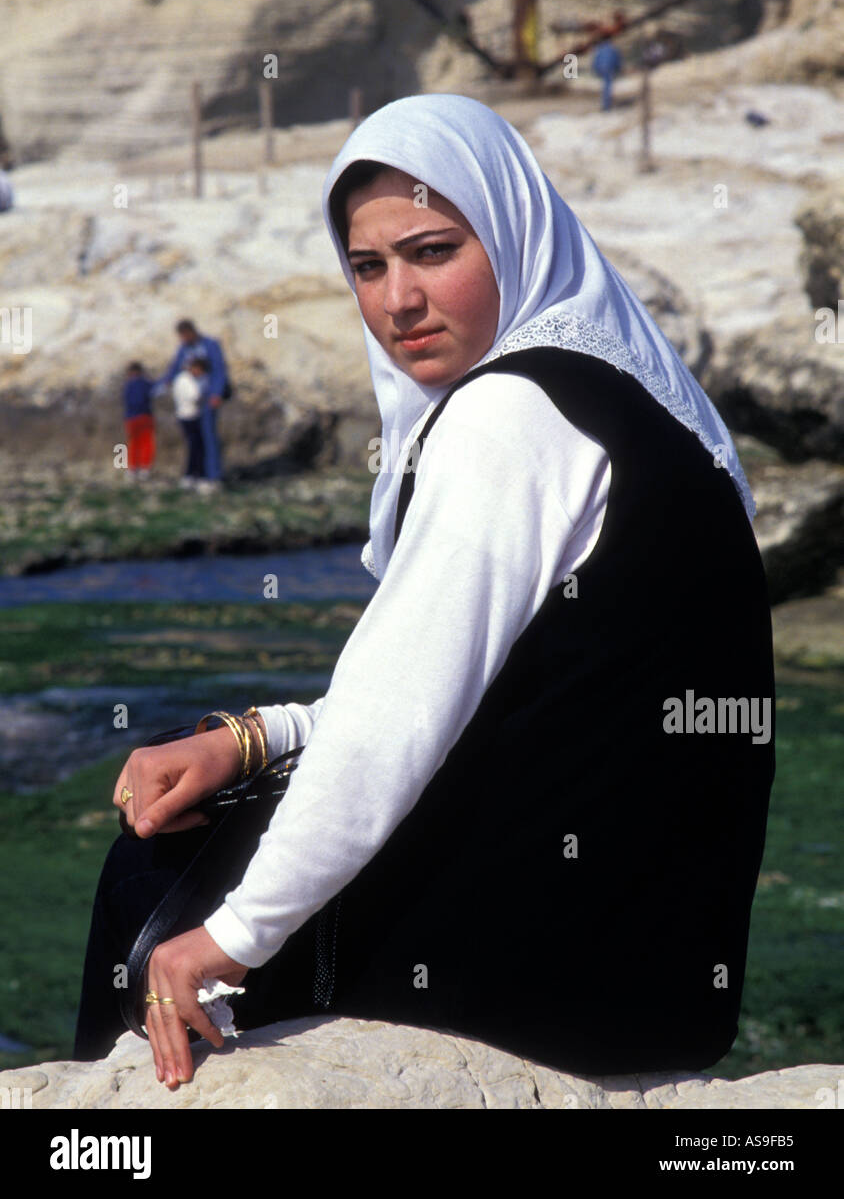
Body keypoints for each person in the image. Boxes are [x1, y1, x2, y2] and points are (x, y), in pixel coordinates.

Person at [74, 93, 775, 1090]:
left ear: (510, 234)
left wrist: (227, 938)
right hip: (654, 983)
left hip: (530, 988)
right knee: (222, 801)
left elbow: (398, 722)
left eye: (434, 250)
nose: (398, 298)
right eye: (368, 266)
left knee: (151, 872)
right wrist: (250, 736)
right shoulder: (625, 402)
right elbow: (480, 687)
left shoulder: (507, 418)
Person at [152, 319, 228, 492]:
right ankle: (196, 475)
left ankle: (213, 477)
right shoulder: (184, 349)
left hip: (207, 399)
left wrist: (216, 393)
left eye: (186, 335)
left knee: (209, 437)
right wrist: (160, 385)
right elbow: (174, 370)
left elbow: (219, 370)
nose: (184, 339)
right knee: (195, 441)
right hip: (191, 402)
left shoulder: (210, 345)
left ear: (192, 332)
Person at [172, 354, 209, 491]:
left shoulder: (181, 378)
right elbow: (195, 396)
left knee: (196, 447)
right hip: (189, 416)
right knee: (196, 447)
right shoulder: (186, 380)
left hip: (188, 415)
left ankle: (192, 476)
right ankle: (193, 475)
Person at [122, 361, 156, 482]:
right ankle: (144, 468)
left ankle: (132, 468)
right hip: (145, 417)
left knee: (133, 443)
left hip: (131, 418)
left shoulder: (128, 385)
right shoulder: (146, 383)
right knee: (146, 443)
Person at [591, 38, 623, 110]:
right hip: (609, 69)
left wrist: (595, 69)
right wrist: (618, 69)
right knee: (607, 86)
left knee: (605, 86)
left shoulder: (599, 49)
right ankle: (607, 105)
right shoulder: (613, 49)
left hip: (602, 69)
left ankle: (606, 104)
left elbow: (596, 60)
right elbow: (617, 59)